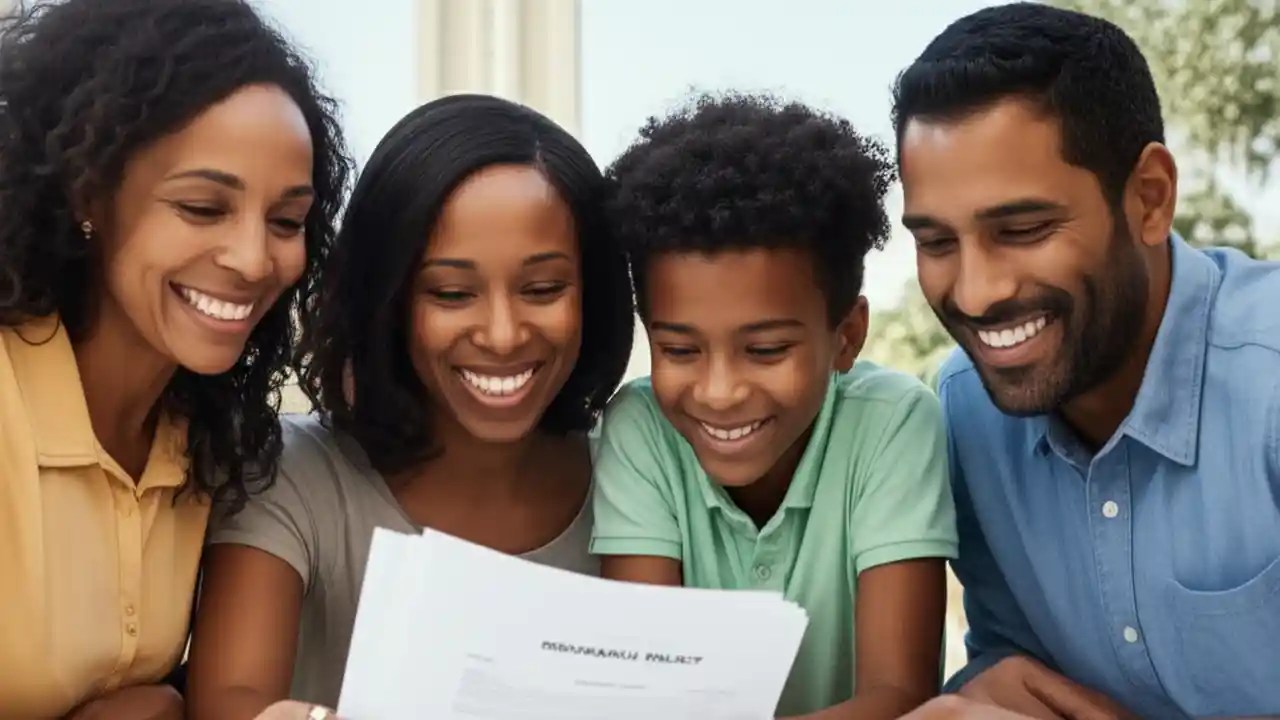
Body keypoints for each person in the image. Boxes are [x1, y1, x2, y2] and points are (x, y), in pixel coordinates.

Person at [185, 93, 636, 719]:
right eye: (451, 293)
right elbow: (232, 703)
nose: (502, 334)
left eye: (542, 288)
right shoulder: (291, 475)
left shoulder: (636, 481)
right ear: (389, 300)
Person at [894, 4, 1280, 719]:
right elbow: (1010, 666)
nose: (976, 294)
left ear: (1150, 198)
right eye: (937, 243)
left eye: (1024, 228)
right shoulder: (966, 410)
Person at [0, 0, 350, 717]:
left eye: (287, 221)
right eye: (202, 208)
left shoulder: (203, 440)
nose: (255, 259)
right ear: (87, 191)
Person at [591, 92, 958, 720]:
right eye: (680, 350)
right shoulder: (641, 430)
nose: (720, 390)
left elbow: (902, 698)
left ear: (846, 336)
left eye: (765, 350)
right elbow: (646, 699)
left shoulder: (893, 422)